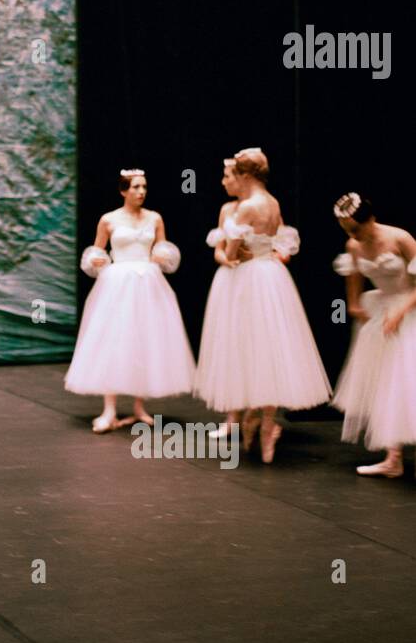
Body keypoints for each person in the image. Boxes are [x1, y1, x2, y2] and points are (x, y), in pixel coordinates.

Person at [195, 147, 329, 462]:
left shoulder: (245, 209)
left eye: (235, 175)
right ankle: (267, 424)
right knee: (269, 348)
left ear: (245, 175)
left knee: (247, 345)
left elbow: (229, 254)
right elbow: (282, 241)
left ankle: (253, 418)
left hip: (247, 278)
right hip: (271, 275)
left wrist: (234, 253)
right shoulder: (273, 203)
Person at [65, 169, 195, 432]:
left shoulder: (155, 218)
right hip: (118, 282)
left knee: (145, 339)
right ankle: (109, 409)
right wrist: (97, 260)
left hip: (148, 281)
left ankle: (139, 406)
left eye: (144, 187)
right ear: (124, 190)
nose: (141, 192)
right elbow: (96, 251)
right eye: (135, 187)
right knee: (114, 338)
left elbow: (163, 248)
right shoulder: (109, 220)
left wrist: (162, 256)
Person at [331, 192, 416, 478]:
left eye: (356, 229)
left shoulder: (399, 238)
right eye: (347, 231)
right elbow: (353, 278)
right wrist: (355, 306)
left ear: (371, 219)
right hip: (382, 311)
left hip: (408, 306)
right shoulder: (354, 245)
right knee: (387, 382)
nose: (354, 236)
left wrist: (401, 310)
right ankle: (393, 458)